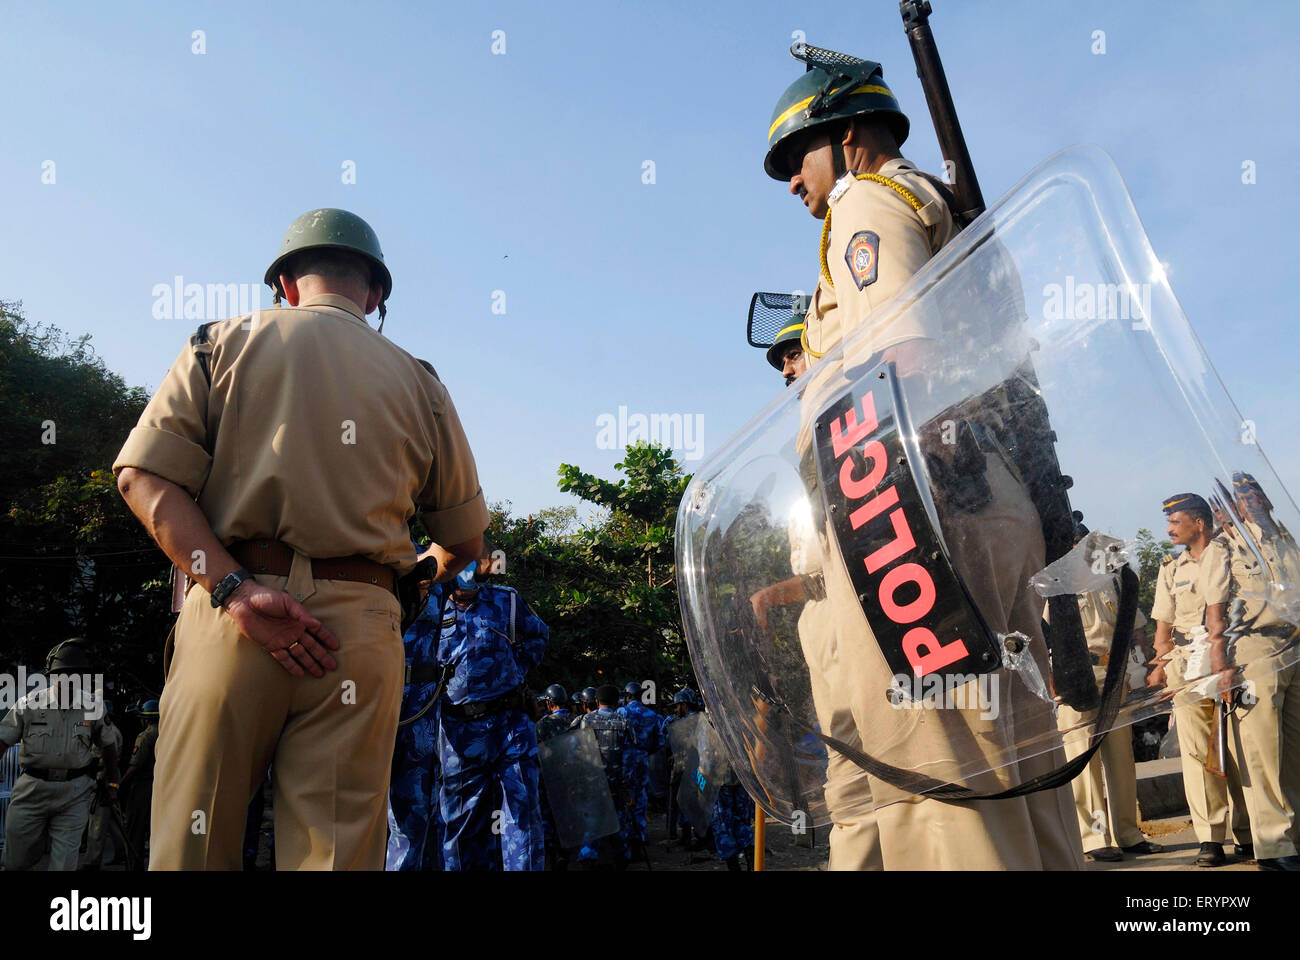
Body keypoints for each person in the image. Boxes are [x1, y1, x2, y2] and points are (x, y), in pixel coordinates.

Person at [763, 44, 1082, 869]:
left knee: (936, 766)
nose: (794, 183)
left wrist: (892, 518)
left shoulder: (867, 201)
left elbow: (900, 356)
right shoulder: (937, 204)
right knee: (1015, 749)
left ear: (852, 133)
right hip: (983, 490)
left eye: (798, 156)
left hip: (912, 502)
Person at [113, 208, 488, 869]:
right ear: (374, 295)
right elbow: (464, 541)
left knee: (194, 844)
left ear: (285, 283)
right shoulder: (421, 383)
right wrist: (407, 586)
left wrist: (232, 589)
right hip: (358, 634)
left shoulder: (217, 343)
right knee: (336, 852)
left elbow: (143, 478)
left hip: (234, 617)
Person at [749, 309, 881, 870]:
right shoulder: (808, 463)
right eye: (780, 363)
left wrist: (772, 596)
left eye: (794, 355)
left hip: (868, 614)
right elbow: (815, 570)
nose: (785, 371)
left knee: (883, 758)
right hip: (824, 625)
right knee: (848, 771)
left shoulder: (863, 432)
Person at [1148, 493, 1252, 867]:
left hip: (1231, 661)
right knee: (1196, 753)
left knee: (1239, 749)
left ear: (1199, 523)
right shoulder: (1171, 567)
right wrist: (1161, 665)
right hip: (1188, 667)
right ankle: (1210, 839)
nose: (1169, 529)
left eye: (1176, 522)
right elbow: (1163, 627)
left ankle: (1248, 832)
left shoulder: (1228, 554)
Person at [1053, 516, 1163, 861]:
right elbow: (1044, 638)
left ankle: (1129, 833)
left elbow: (1137, 628)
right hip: (1077, 676)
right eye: (1075, 543)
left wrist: (1146, 667)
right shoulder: (1055, 583)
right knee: (1084, 760)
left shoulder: (1112, 579)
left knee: (1121, 758)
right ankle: (1095, 838)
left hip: (1114, 672)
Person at [436, 543, 548, 871]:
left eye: (473, 562)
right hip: (459, 734)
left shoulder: (506, 600)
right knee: (460, 825)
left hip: (511, 725)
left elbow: (538, 635)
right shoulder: (432, 608)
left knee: (523, 817)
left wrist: (517, 669)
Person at [1211, 474, 1300, 870]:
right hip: (1254, 649)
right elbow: (1216, 609)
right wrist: (1223, 665)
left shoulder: (1285, 538)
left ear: (1266, 497)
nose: (1250, 501)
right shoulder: (1228, 543)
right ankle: (1274, 845)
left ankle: (1295, 836)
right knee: (1263, 752)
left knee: (1293, 751)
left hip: (1294, 646)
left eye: (1254, 493)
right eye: (1242, 497)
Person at [0, 640, 119, 871]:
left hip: (74, 793)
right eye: (63, 674)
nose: (69, 680)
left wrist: (112, 783)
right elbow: (3, 740)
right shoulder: (28, 705)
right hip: (32, 790)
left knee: (64, 865)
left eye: (76, 674)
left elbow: (109, 747)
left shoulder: (93, 706)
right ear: (52, 677)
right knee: (16, 862)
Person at [387, 577, 449, 872]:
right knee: (351, 805)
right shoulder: (363, 552)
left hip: (421, 705)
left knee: (415, 811)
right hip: (367, 696)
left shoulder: (435, 569)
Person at [577, 685, 635, 870]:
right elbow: (628, 760)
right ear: (616, 701)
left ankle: (588, 859)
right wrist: (628, 791)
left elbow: (578, 753)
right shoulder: (623, 722)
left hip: (592, 785)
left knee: (591, 826)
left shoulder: (586, 720)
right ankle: (621, 859)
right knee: (619, 826)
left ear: (596, 701)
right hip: (616, 785)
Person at [617, 681, 663, 857]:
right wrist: (644, 751)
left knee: (624, 799)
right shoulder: (651, 714)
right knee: (641, 799)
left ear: (628, 696)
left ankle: (624, 842)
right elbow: (659, 742)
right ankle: (638, 840)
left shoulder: (620, 712)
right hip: (642, 761)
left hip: (623, 762)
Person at [82, 698, 124, 871]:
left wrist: (99, 779)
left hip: (103, 778)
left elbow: (109, 760)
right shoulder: (108, 730)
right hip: (104, 777)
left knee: (97, 823)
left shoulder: (109, 733)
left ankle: (92, 862)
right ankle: (122, 852)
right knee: (111, 820)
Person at [535, 683, 573, 870]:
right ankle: (566, 853)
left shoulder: (543, 724)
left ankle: (553, 854)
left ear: (550, 703)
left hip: (549, 778)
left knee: (548, 817)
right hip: (573, 776)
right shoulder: (577, 721)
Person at [119, 700, 159, 871]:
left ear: (145, 719)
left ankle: (134, 867)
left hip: (143, 787)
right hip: (162, 787)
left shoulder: (145, 737)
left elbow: (135, 766)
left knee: (135, 831)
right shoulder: (169, 732)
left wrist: (119, 785)